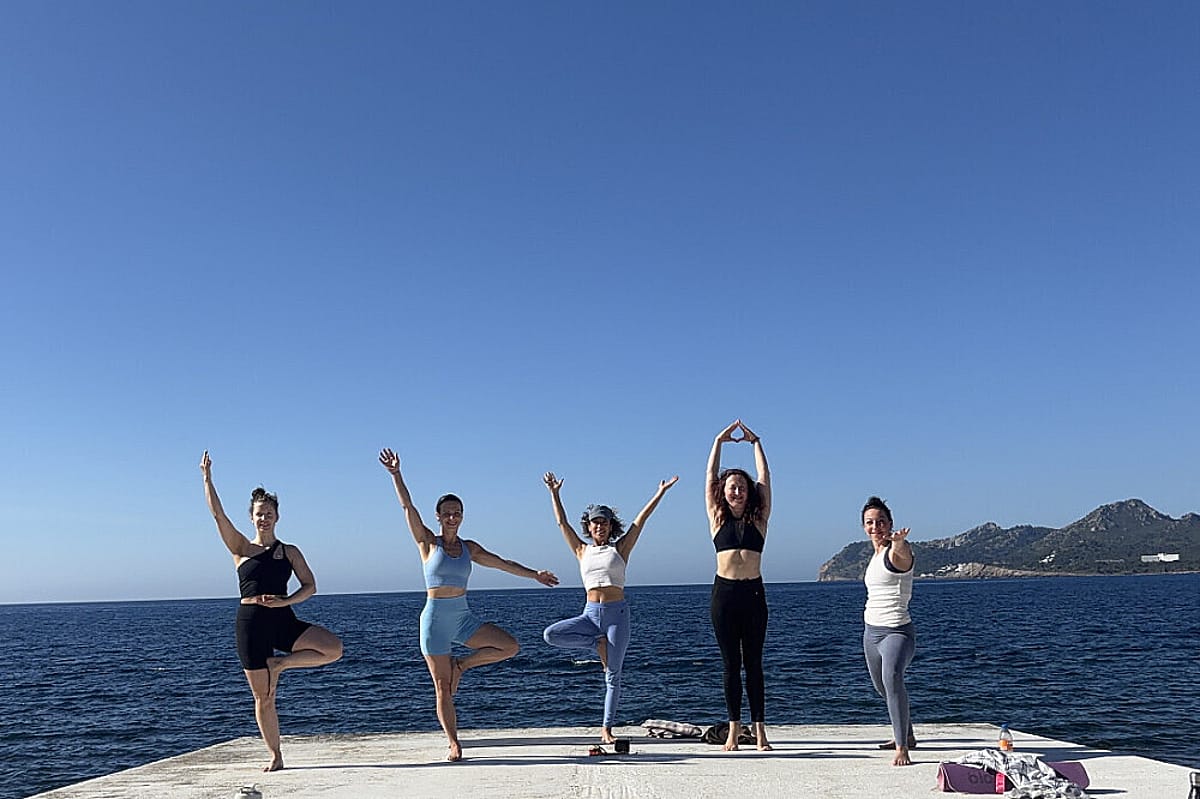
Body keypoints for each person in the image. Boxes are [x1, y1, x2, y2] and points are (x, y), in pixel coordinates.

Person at [378, 447, 559, 762]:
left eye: (457, 512)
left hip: (462, 618)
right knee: (442, 687)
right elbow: (407, 506)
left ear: (462, 516)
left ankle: (462, 664)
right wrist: (396, 474)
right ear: (438, 516)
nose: (452, 517)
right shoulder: (427, 543)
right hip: (434, 620)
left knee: (509, 646)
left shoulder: (469, 548)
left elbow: (502, 563)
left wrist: (535, 575)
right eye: (447, 512)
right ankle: (453, 742)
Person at [199, 451, 343, 772]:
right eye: (259, 513)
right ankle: (275, 755)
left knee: (333, 648)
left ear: (277, 516)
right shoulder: (240, 548)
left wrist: (285, 601)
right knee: (264, 697)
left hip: (281, 618)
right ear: (251, 517)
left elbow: (310, 586)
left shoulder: (288, 551)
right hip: (250, 624)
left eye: (269, 513)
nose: (264, 518)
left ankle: (283, 663)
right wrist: (207, 479)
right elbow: (218, 515)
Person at [541, 471, 679, 744]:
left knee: (613, 676)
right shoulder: (582, 550)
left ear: (610, 526)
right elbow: (561, 523)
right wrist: (554, 494)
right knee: (551, 635)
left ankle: (606, 729)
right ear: (589, 528)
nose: (599, 527)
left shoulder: (620, 549)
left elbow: (641, 522)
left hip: (617, 616)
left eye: (603, 522)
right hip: (590, 616)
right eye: (595, 523)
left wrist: (660, 493)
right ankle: (596, 644)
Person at [705, 419, 773, 751]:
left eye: (741, 487)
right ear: (725, 491)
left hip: (754, 594)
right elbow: (709, 479)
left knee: (755, 663)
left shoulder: (759, 519)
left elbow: (765, 479)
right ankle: (734, 729)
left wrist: (755, 441)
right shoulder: (717, 518)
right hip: (725, 595)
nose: (737, 491)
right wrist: (718, 441)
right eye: (732, 486)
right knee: (731, 664)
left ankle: (760, 731)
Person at [860, 495, 917, 767]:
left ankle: (902, 747)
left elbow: (902, 558)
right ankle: (908, 733)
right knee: (882, 687)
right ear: (864, 527)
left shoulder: (895, 553)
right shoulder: (874, 556)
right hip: (871, 634)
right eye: (870, 523)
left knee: (892, 679)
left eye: (881, 522)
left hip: (897, 632)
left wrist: (900, 542)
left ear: (890, 524)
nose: (876, 527)